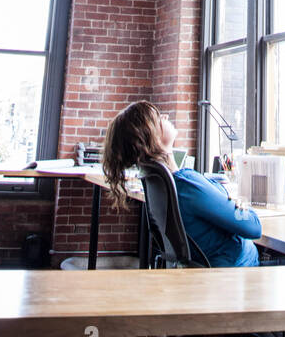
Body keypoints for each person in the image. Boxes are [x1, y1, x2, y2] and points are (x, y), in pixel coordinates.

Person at [102, 99, 262, 267]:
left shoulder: (157, 181)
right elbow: (254, 228)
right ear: (151, 138)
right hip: (239, 271)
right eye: (158, 118)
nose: (164, 117)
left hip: (213, 270)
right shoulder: (187, 185)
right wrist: (243, 205)